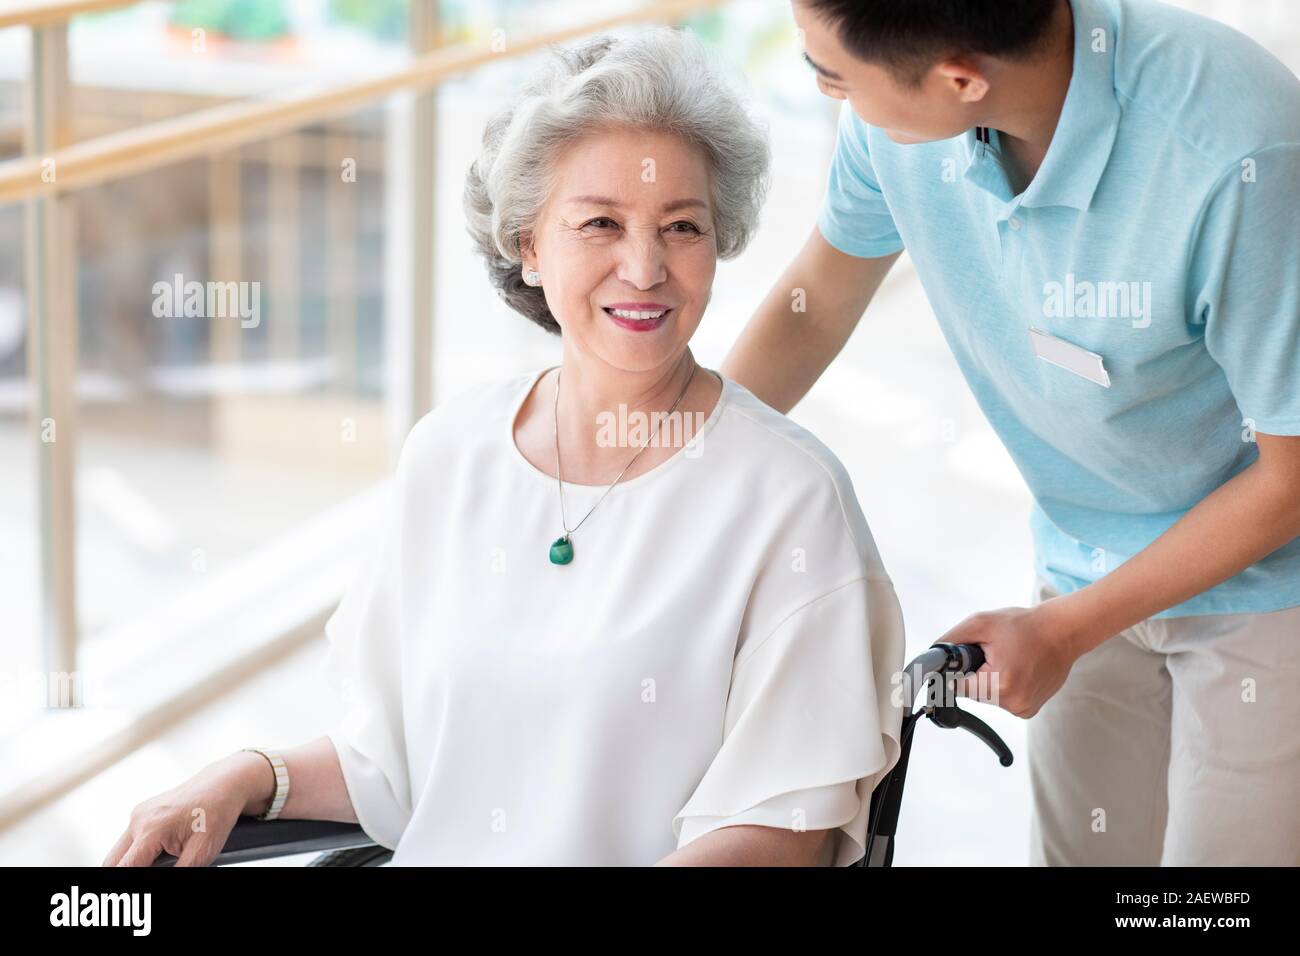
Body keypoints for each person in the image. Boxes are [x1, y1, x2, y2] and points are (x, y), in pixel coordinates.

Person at [104, 27, 906, 868]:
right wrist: (245, 775)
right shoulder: (449, 454)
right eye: (600, 222)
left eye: (682, 227)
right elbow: (392, 766)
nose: (644, 267)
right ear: (527, 244)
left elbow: (775, 835)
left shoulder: (790, 499)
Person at [721, 0, 1300, 865]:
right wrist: (676, 458)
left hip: (1266, 587)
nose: (824, 89)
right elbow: (818, 302)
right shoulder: (900, 126)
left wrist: (1064, 633)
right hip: (1078, 557)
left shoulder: (1238, 152)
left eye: (833, 73)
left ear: (961, 79)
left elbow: (1293, 478)